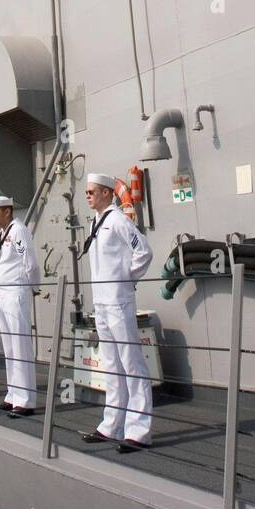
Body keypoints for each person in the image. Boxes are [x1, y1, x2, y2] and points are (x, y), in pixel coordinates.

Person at [81, 173, 154, 452]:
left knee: (131, 363)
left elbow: (143, 252)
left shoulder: (119, 221)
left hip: (118, 302)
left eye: (91, 191)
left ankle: (139, 431)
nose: (87, 196)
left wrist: (126, 280)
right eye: (87, 192)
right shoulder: (95, 222)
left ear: (106, 193)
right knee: (111, 365)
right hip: (101, 303)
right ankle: (112, 425)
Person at [0, 196, 40, 416]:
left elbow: (30, 262)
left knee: (20, 346)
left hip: (17, 292)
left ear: (7, 211)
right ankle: (13, 395)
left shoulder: (18, 231)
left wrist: (33, 287)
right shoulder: (3, 233)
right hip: (4, 294)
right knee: (10, 348)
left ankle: (25, 400)